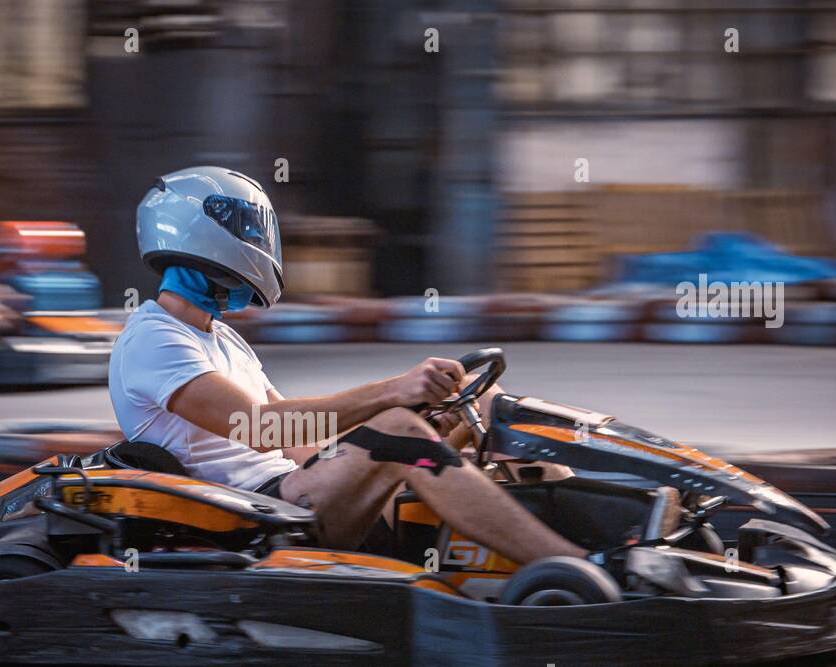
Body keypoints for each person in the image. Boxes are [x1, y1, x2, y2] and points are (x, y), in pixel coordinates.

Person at [108, 166, 588, 564]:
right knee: (400, 428)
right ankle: (571, 568)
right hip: (259, 515)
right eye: (245, 227)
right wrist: (392, 396)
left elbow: (302, 441)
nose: (258, 239)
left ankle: (606, 535)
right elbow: (260, 428)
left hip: (299, 487)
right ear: (200, 233)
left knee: (474, 403)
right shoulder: (153, 339)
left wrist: (427, 428)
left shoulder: (223, 339)